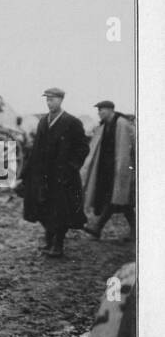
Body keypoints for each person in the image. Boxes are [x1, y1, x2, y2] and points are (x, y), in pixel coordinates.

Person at [20, 87, 90, 257]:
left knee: (61, 211)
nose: (49, 103)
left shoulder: (72, 122)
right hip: (44, 176)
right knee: (43, 208)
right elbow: (36, 149)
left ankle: (57, 245)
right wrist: (25, 174)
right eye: (47, 100)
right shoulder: (43, 121)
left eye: (52, 100)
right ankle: (49, 242)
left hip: (63, 177)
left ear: (60, 100)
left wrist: (71, 167)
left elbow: (83, 148)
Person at [81, 100, 135, 240]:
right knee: (121, 200)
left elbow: (128, 147)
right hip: (108, 169)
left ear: (110, 110)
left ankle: (97, 228)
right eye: (98, 110)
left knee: (116, 197)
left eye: (101, 110)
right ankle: (135, 231)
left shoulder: (122, 123)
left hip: (122, 169)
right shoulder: (105, 126)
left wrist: (130, 168)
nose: (99, 113)